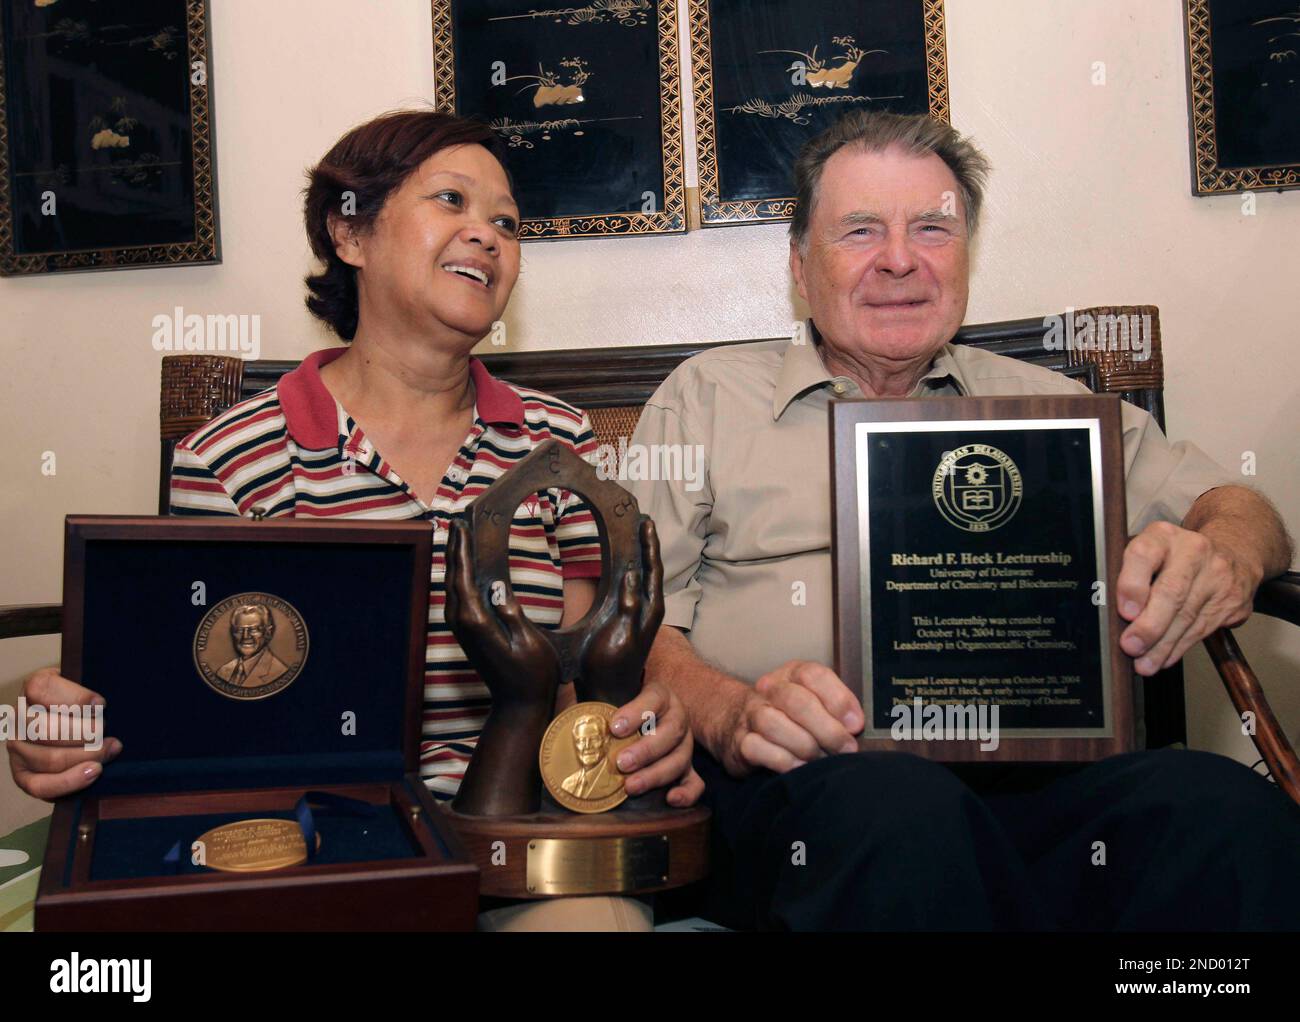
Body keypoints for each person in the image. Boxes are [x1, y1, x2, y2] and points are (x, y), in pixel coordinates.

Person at [8, 109, 703, 932]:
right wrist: (43, 714)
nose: (487, 235)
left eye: (508, 223)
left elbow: (587, 688)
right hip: (309, 845)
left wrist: (636, 729)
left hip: (522, 834)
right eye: (452, 200)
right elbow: (175, 695)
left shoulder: (559, 443)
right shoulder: (230, 457)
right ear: (350, 233)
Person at [626, 109, 1300, 930]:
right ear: (801, 266)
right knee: (896, 811)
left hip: (1042, 787)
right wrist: (730, 712)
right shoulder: (706, 400)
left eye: (933, 229)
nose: (900, 260)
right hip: (805, 794)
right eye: (861, 230)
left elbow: (1241, 506)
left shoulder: (1053, 410)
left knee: (1223, 812)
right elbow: (633, 624)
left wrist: (1226, 550)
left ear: (966, 256)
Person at [215, 604, 289, 687]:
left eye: (253, 630)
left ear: (268, 632)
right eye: (239, 630)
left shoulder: (280, 673)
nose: (245, 636)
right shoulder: (223, 672)